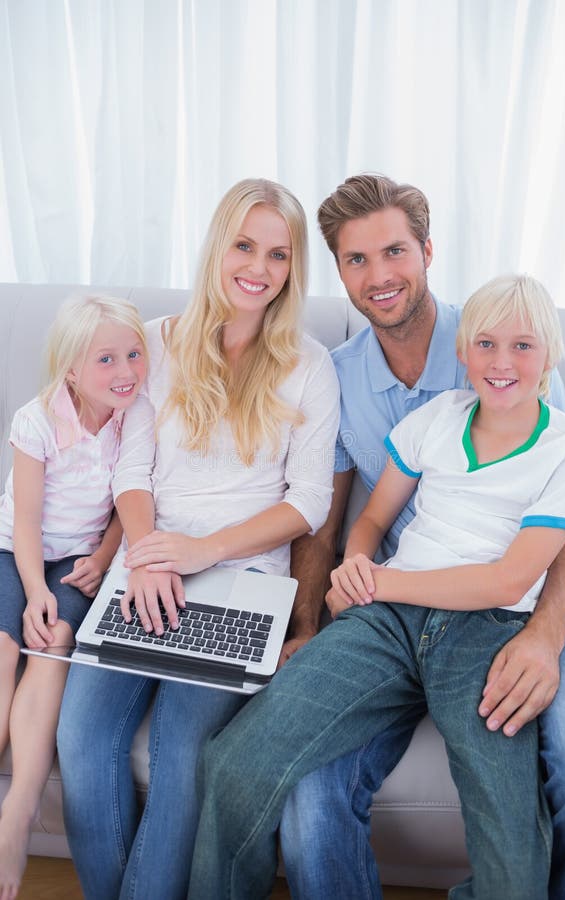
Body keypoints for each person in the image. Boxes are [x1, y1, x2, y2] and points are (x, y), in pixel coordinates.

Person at [193, 174, 565, 900]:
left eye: (394, 252)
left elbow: (562, 536)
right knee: (290, 789)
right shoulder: (350, 380)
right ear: (338, 272)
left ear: (427, 251)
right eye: (357, 260)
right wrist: (317, 614)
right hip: (386, 607)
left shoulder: (508, 356)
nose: (379, 276)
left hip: (510, 614)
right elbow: (337, 513)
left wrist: (545, 631)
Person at [56, 178, 340, 900]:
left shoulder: (308, 363)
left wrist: (204, 552)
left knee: (185, 755)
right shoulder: (153, 341)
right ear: (217, 246)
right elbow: (133, 467)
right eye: (245, 245)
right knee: (83, 744)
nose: (259, 267)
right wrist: (149, 553)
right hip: (148, 564)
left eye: (278, 254)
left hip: (243, 581)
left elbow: (307, 502)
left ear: (292, 268)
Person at [0, 294, 147, 900]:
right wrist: (33, 591)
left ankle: (19, 813)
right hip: (18, 552)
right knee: (7, 645)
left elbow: (129, 499)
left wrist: (106, 556)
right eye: (106, 360)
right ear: (71, 372)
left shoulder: (134, 416)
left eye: (134, 354)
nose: (125, 372)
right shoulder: (36, 421)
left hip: (81, 563)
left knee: (56, 640)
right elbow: (27, 523)